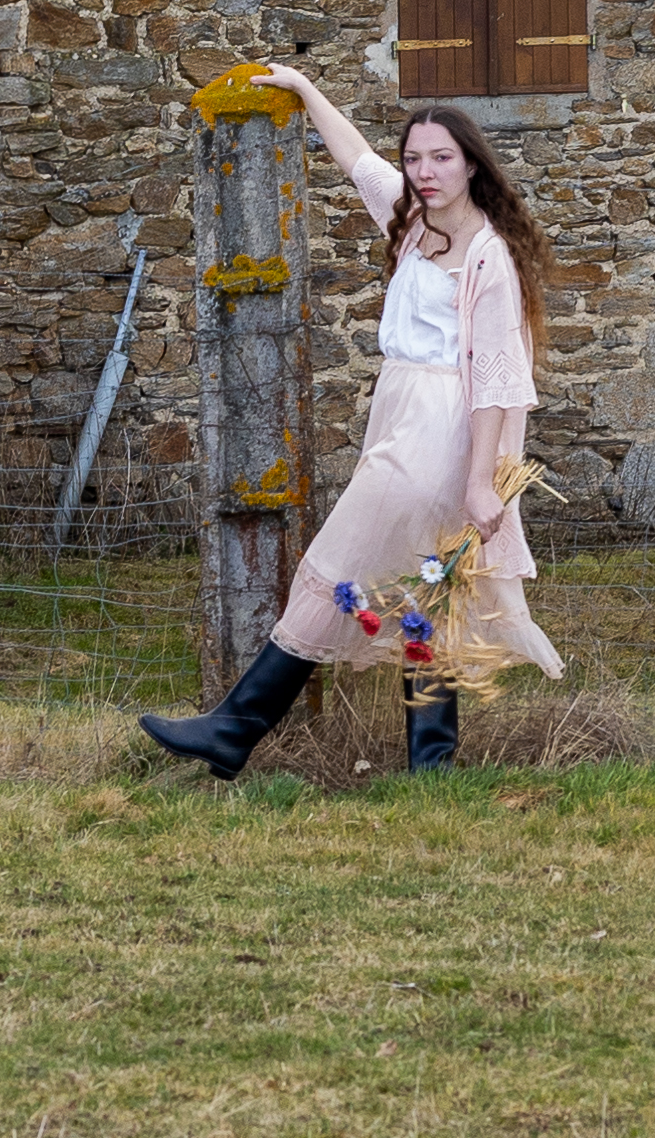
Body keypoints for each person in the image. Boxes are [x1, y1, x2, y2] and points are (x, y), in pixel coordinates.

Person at [141, 66, 563, 779]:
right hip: (401, 411)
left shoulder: (488, 257)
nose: (424, 172)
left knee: (336, 564)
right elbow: (358, 161)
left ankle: (234, 729)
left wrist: (478, 483)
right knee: (426, 586)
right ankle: (431, 762)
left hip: (444, 427)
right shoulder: (413, 223)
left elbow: (496, 380)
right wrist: (305, 90)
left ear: (471, 165)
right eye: (415, 158)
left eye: (441, 158)